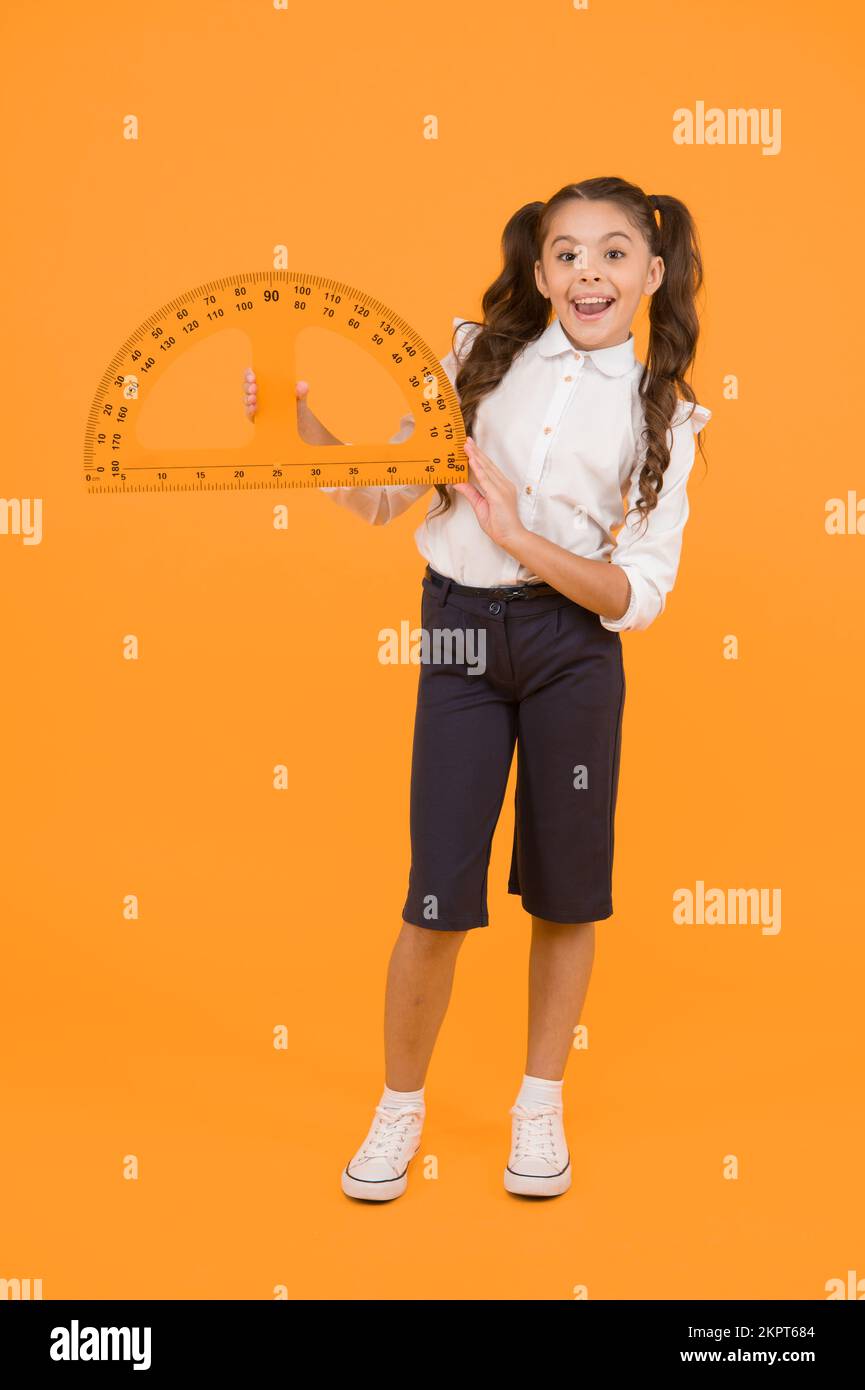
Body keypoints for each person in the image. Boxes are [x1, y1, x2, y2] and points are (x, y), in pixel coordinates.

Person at [243, 176, 712, 1202]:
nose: (588, 270)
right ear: (540, 271)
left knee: (566, 887)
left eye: (613, 252)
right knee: (435, 891)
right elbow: (380, 501)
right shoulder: (476, 359)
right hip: (458, 630)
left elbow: (635, 594)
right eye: (567, 253)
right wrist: (304, 430)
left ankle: (536, 1108)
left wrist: (516, 536)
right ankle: (397, 1109)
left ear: (651, 271)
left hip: (572, 648)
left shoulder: (665, 416)